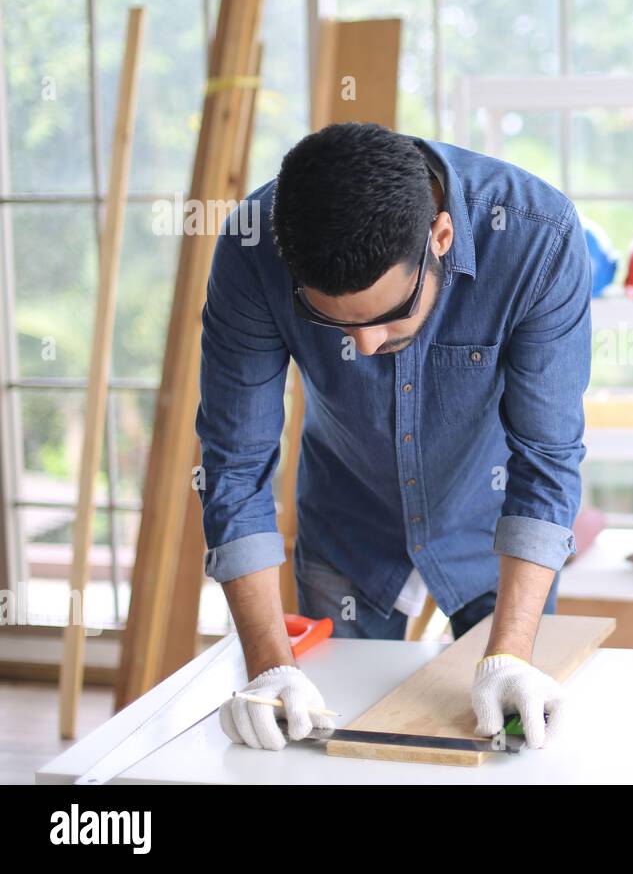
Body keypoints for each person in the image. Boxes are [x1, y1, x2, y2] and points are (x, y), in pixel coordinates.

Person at [202, 122, 591, 751]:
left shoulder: (535, 238)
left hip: (492, 534)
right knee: (323, 751)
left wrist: (512, 653)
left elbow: (547, 459)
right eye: (332, 321)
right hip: (347, 528)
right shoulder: (254, 248)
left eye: (388, 315)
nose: (364, 345)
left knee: (511, 745)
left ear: (441, 237)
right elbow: (233, 467)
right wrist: (271, 666)